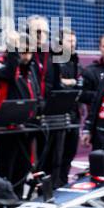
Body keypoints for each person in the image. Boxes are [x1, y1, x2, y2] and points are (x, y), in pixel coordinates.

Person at [0, 33, 45, 190]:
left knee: (23, 167)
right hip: (6, 130)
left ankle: (18, 199)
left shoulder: (31, 70)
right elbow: (8, 73)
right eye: (22, 52)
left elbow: (36, 93)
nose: (26, 56)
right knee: (5, 168)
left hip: (26, 128)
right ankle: (0, 199)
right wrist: (13, 48)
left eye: (29, 52)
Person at [44, 28, 83, 187]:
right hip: (56, 115)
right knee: (54, 156)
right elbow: (57, 85)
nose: (73, 44)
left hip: (74, 113)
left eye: (74, 41)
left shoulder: (75, 61)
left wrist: (71, 83)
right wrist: (71, 83)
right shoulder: (53, 60)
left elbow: (80, 84)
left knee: (69, 152)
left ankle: (63, 184)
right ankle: (52, 187)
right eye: (69, 40)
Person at [79, 33, 104, 147]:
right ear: (100, 48)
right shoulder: (90, 71)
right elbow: (81, 95)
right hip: (97, 123)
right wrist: (102, 97)